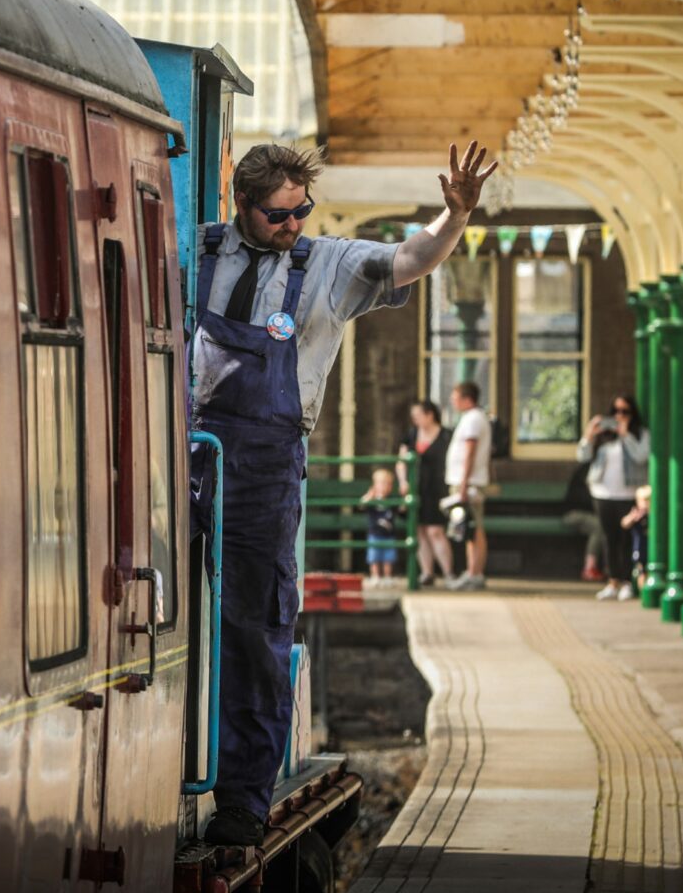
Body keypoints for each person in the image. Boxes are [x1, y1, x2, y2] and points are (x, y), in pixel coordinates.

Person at [189, 140, 496, 845]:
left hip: (266, 468)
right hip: (188, 452)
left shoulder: (327, 263)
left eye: (303, 211)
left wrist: (454, 219)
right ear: (242, 205)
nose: (294, 224)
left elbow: (408, 260)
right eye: (278, 214)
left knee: (256, 626)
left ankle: (242, 799)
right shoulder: (197, 251)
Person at [578, 394, 651, 601]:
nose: (619, 416)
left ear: (632, 414)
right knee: (609, 538)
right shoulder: (604, 436)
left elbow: (641, 457)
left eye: (625, 412)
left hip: (628, 494)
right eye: (615, 412)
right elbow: (582, 456)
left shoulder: (639, 434)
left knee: (628, 539)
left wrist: (626, 435)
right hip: (602, 493)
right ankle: (613, 581)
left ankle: (628, 581)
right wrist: (589, 434)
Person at [443, 382, 492, 591]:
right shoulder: (472, 418)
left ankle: (474, 572)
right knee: (467, 528)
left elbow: (470, 452)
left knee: (473, 527)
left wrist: (463, 483)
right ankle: (472, 571)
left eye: (455, 397)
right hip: (468, 481)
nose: (453, 401)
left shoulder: (473, 420)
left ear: (466, 398)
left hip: (469, 482)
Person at [397, 401, 450, 586]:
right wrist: (403, 481)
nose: (415, 419)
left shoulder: (446, 436)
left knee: (435, 530)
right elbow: (401, 460)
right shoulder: (411, 435)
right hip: (415, 489)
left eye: (418, 415)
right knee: (418, 531)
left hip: (437, 489)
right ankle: (427, 572)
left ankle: (448, 573)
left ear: (430, 415)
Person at [360, 468, 402, 586]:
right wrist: (370, 494)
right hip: (374, 534)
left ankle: (387, 576)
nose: (384, 486)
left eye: (388, 484)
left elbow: (402, 508)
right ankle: (375, 576)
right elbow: (362, 505)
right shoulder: (372, 500)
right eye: (381, 483)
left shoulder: (392, 500)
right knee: (374, 557)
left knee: (388, 557)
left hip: (389, 535)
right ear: (375, 485)